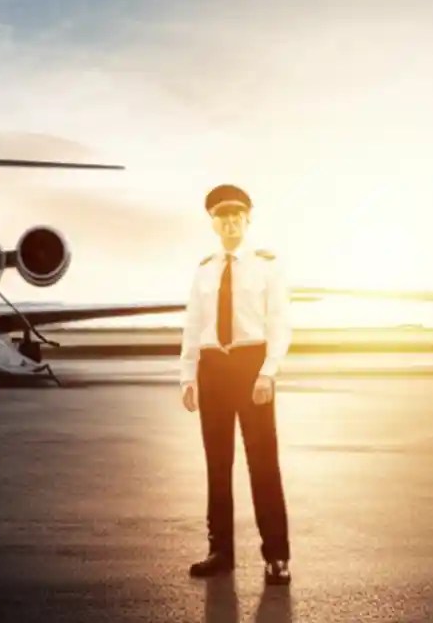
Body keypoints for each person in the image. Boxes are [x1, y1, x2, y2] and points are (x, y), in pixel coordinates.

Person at [180, 183, 293, 585]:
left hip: (251, 365)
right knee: (217, 464)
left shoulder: (267, 266)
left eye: (236, 215)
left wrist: (268, 372)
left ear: (248, 220)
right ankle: (220, 551)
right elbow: (194, 325)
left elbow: (279, 322)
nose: (229, 222)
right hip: (212, 367)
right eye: (221, 216)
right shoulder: (204, 270)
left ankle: (276, 556)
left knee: (263, 463)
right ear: (213, 223)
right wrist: (188, 376)